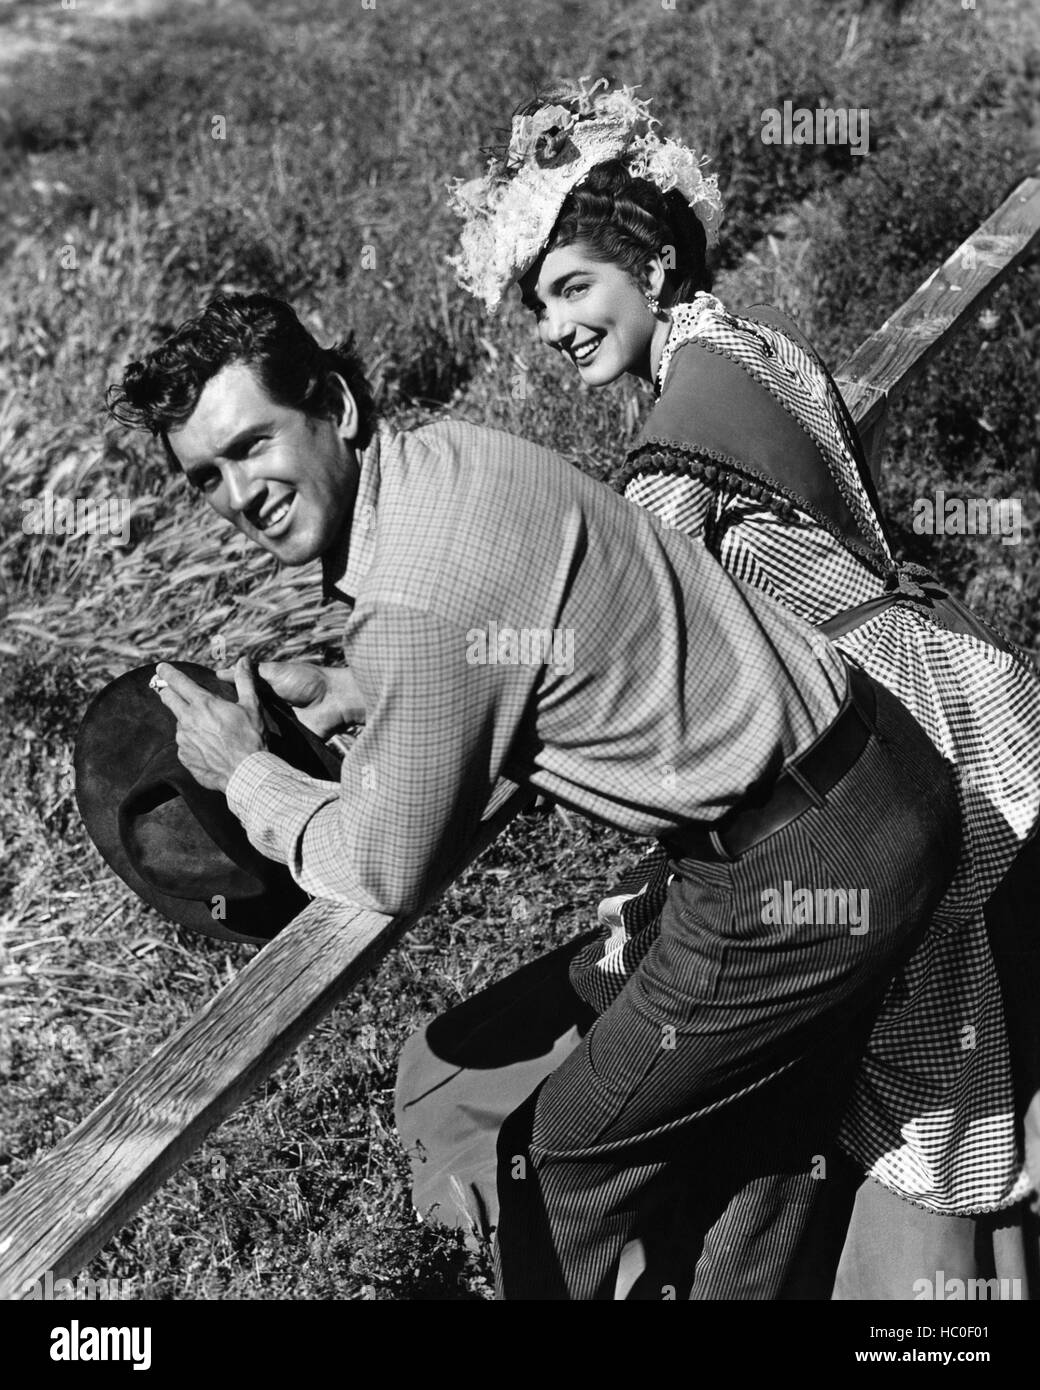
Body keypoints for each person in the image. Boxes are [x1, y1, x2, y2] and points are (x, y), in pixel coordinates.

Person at [107, 292, 962, 1299]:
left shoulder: (409, 602)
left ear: (332, 407)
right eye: (207, 476)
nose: (240, 492)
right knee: (755, 1144)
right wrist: (358, 694)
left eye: (253, 445)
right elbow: (522, 639)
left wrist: (243, 770)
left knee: (560, 1155)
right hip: (874, 778)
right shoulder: (454, 457)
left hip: (790, 872)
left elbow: (386, 866)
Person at [443, 78, 1040, 1297]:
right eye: (538, 302)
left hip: (905, 747)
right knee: (968, 1059)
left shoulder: (671, 450)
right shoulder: (757, 351)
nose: (555, 327)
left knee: (926, 1101)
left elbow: (621, 641)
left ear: (653, 268)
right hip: (963, 698)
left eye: (573, 287)